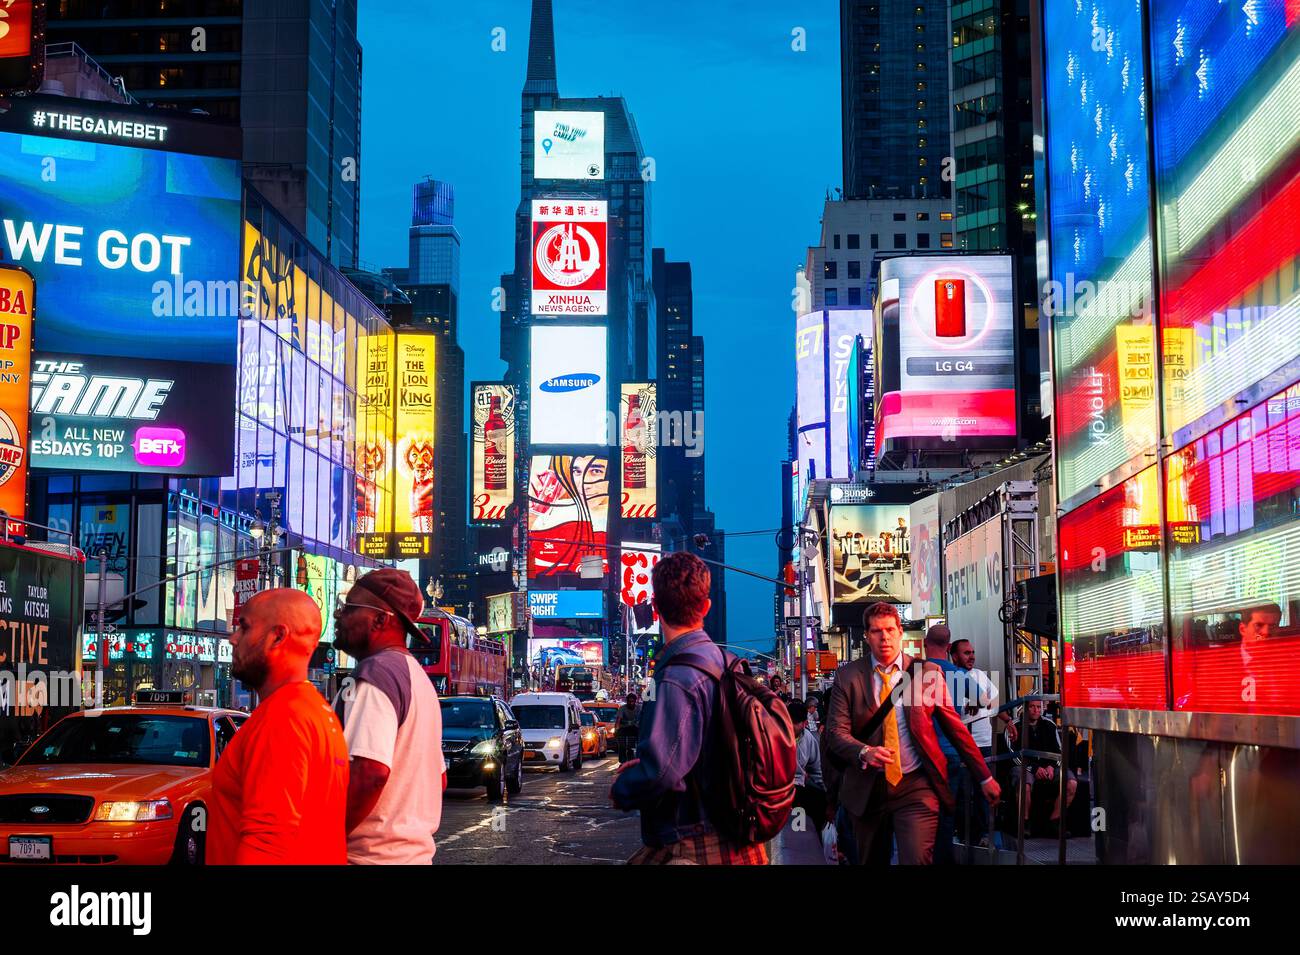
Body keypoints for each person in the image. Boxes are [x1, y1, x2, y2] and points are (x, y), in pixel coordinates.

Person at [610, 551, 767, 864]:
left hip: (695, 841)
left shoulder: (675, 678)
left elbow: (662, 772)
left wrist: (623, 786)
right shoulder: (729, 663)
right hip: (738, 836)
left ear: (655, 608)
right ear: (706, 607)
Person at [825, 602, 1000, 865]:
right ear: (866, 635)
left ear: (900, 632)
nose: (884, 637)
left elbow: (955, 728)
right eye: (876, 631)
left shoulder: (925, 673)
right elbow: (836, 732)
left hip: (915, 784)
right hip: (867, 787)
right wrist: (863, 751)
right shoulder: (848, 676)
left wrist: (984, 777)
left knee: (918, 858)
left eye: (889, 630)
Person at [208, 589, 349, 864]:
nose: (233, 638)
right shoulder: (317, 711)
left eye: (244, 627)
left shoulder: (283, 717)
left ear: (278, 636)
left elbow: (266, 842)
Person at [333, 568, 444, 864]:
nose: (337, 615)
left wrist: (326, 837)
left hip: (367, 858)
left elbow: (370, 773)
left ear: (380, 619)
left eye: (349, 607)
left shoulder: (375, 675)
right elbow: (440, 779)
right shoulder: (417, 678)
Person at [949, 638, 1014, 848]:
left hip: (983, 743)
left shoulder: (980, 676)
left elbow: (994, 704)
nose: (972, 656)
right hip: (960, 745)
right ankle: (963, 834)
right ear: (954, 655)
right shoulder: (949, 677)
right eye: (966, 653)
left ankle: (985, 834)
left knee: (982, 791)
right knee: (960, 793)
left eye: (973, 652)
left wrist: (1009, 721)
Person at [921, 624, 964, 864]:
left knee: (921, 816)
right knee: (947, 815)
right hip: (952, 754)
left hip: (923, 755)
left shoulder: (916, 673)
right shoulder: (959, 675)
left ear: (926, 643)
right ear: (949, 647)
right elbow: (985, 699)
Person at [1008, 699, 1076, 835]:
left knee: (1072, 783)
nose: (1036, 710)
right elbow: (1013, 755)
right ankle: (1024, 824)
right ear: (1025, 709)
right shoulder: (1014, 725)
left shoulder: (1049, 725)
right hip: (1023, 767)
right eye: (1032, 707)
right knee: (1025, 784)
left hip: (1049, 766)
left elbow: (1059, 752)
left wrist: (1051, 766)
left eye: (1038, 707)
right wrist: (1034, 769)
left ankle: (1054, 822)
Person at [789, 700, 828, 849]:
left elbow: (817, 770)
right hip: (780, 788)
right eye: (789, 721)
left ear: (804, 723)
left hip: (798, 785)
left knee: (819, 800)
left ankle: (815, 845)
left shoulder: (809, 740)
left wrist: (826, 793)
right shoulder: (776, 735)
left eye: (795, 723)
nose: (791, 726)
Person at [614, 692, 640, 763]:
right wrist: (616, 730)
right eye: (629, 701)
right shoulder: (622, 708)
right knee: (622, 746)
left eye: (632, 701)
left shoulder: (639, 708)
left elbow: (643, 719)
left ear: (635, 701)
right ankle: (622, 761)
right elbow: (618, 720)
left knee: (633, 745)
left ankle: (633, 757)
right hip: (624, 729)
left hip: (634, 729)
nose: (631, 703)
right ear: (627, 701)